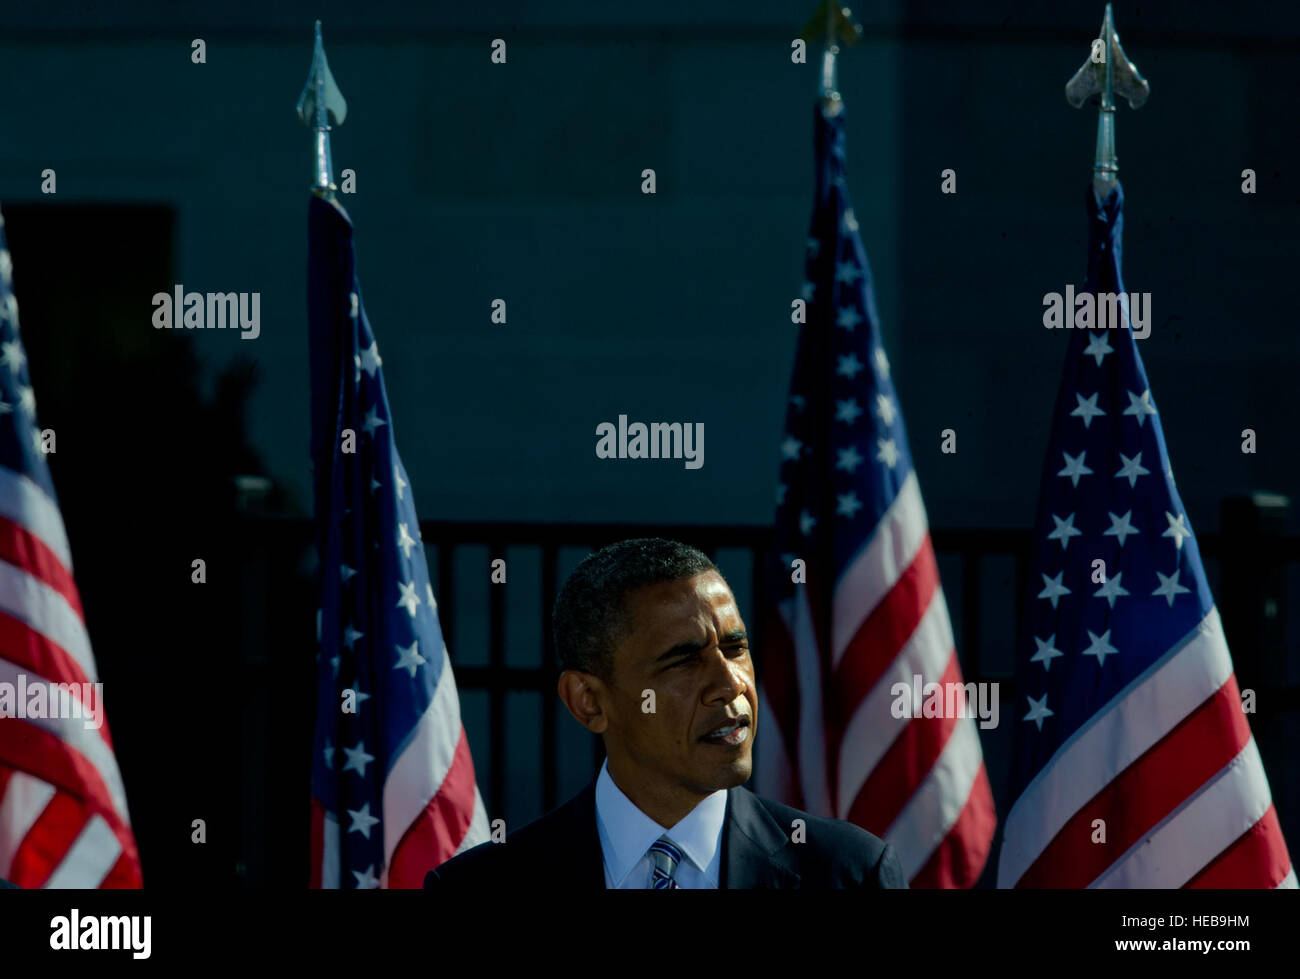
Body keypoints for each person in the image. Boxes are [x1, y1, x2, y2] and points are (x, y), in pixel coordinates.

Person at [424, 538, 906, 889]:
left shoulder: (852, 873)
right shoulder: (480, 885)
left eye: (735, 648)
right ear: (588, 701)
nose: (730, 684)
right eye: (683, 659)